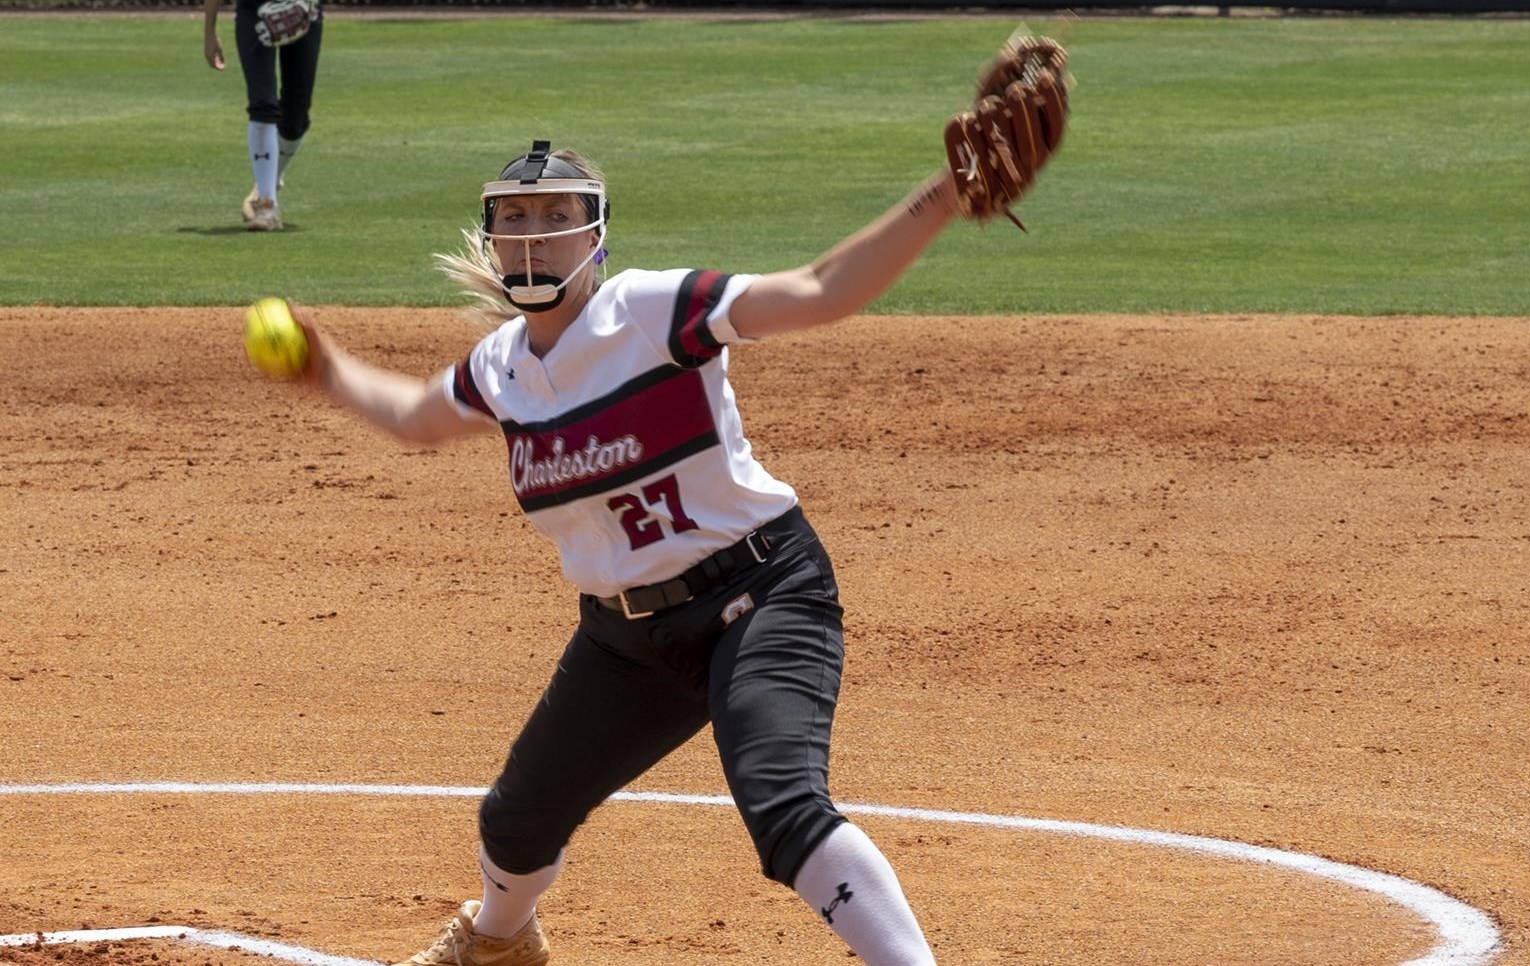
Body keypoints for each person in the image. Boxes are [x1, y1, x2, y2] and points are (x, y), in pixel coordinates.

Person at [291, 138, 968, 966]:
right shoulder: (501, 369)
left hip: (758, 594)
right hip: (626, 638)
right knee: (516, 818)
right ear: (492, 237)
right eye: (514, 218)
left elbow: (821, 290)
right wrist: (327, 370)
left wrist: (940, 195)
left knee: (783, 806)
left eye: (555, 216)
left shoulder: (649, 312)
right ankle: (498, 947)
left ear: (595, 235)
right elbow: (413, 417)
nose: (533, 234)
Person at [203, 0, 324, 231]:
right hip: (253, 12)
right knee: (262, 105)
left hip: (303, 9)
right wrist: (210, 32)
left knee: (295, 119)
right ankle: (267, 206)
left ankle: (268, 181)